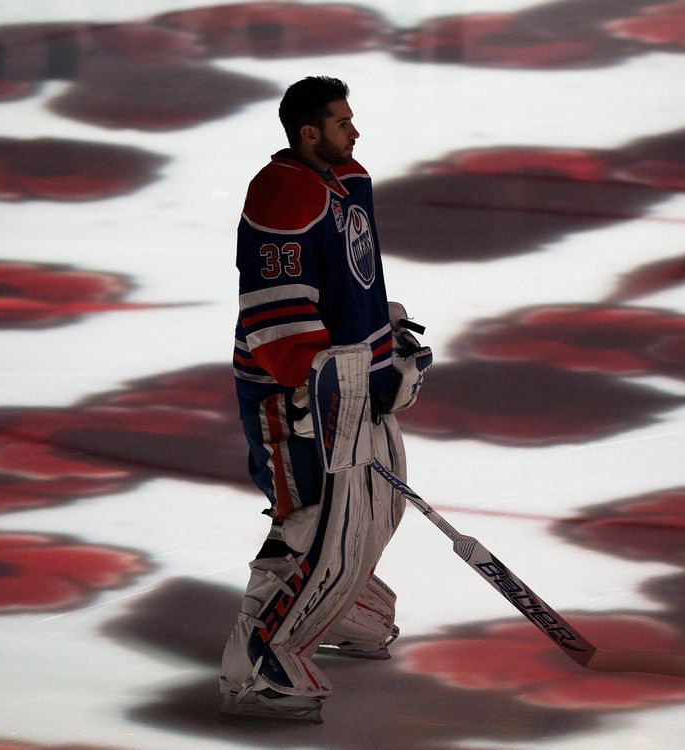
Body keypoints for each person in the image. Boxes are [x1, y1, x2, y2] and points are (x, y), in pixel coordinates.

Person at [220, 76, 430, 725]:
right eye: (342, 121)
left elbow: (352, 283)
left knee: (375, 503)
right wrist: (336, 374)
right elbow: (276, 317)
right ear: (309, 132)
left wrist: (383, 338)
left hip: (349, 380)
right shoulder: (284, 191)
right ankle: (257, 663)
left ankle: (342, 605)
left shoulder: (347, 181)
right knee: (311, 520)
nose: (355, 130)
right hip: (295, 396)